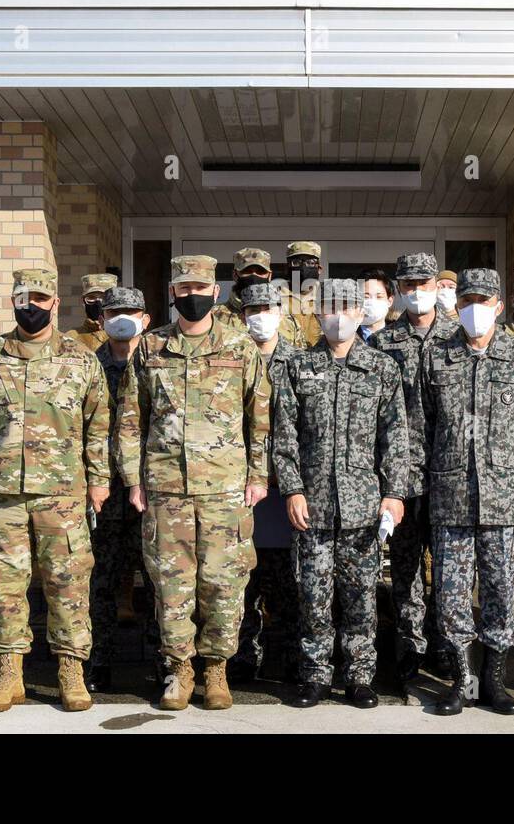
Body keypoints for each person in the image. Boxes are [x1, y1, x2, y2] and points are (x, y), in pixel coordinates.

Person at [0, 268, 111, 714]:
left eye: (39, 298)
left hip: (63, 493)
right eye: (23, 298)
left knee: (69, 583)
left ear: (55, 303)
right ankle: (9, 673)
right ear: (13, 303)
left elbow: (99, 427)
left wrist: (99, 481)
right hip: (1, 493)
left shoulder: (80, 359)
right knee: (3, 586)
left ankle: (70, 671)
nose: (31, 306)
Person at [116, 254, 271, 711]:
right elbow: (130, 420)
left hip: (226, 489)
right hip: (165, 487)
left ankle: (216, 669)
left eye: (201, 289)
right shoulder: (150, 347)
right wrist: (133, 479)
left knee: (224, 584)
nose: (193, 296)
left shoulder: (239, 346)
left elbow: (259, 419)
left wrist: (259, 476)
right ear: (172, 293)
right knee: (171, 586)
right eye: (184, 289)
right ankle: (179, 670)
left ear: (216, 293)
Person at [420, 268, 514, 716]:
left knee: (501, 591)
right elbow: (417, 426)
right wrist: (415, 484)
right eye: (467, 301)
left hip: (503, 499)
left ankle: (495, 682)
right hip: (450, 498)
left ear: (499, 306)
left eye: (484, 300)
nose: (476, 309)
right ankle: (462, 682)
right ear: (456, 306)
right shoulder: (436, 355)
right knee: (452, 594)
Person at [274, 279, 408, 708]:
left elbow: (396, 437)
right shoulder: (297, 366)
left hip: (363, 506)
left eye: (347, 307)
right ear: (318, 312)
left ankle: (359, 675)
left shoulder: (382, 367)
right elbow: (283, 438)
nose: (339, 316)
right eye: (330, 307)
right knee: (313, 593)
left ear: (360, 312)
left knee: (360, 596)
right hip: (311, 507)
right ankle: (314, 673)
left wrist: (394, 494)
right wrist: (292, 489)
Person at [370, 252, 460, 682]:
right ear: (400, 291)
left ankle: (446, 645)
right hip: (400, 476)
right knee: (405, 568)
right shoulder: (383, 343)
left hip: (451, 477)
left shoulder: (459, 338)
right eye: (409, 285)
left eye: (424, 283)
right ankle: (409, 645)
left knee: (448, 569)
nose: (417, 292)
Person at [228, 281, 302, 684]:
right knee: (245, 577)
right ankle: (245, 654)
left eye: (268, 307)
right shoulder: (230, 357)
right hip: (242, 483)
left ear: (280, 311)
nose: (260, 315)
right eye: (252, 309)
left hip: (284, 484)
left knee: (287, 576)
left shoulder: (300, 360)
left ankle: (290, 652)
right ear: (242, 315)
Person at [86, 285, 156, 692]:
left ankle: (161, 662)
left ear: (145, 319)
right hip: (105, 492)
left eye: (131, 311)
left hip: (156, 490)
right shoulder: (86, 366)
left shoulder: (161, 362)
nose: (122, 318)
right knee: (103, 580)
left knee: (160, 580)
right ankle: (99, 662)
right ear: (101, 320)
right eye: (113, 312)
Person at [212, 247, 304, 346]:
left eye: (260, 271)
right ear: (235, 275)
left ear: (269, 276)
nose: (254, 275)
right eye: (247, 271)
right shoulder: (214, 316)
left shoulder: (287, 321)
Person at [284, 240, 324, 346]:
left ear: (319, 269)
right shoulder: (274, 298)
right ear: (287, 267)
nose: (303, 267)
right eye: (296, 262)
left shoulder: (327, 298)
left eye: (310, 262)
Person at [73, 273, 119, 351]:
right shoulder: (72, 337)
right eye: (91, 297)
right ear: (83, 301)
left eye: (104, 297)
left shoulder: (125, 335)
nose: (98, 303)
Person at [358, 268, 394, 342]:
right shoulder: (346, 337)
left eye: (379, 297)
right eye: (366, 297)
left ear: (390, 301)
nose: (372, 302)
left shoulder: (402, 335)